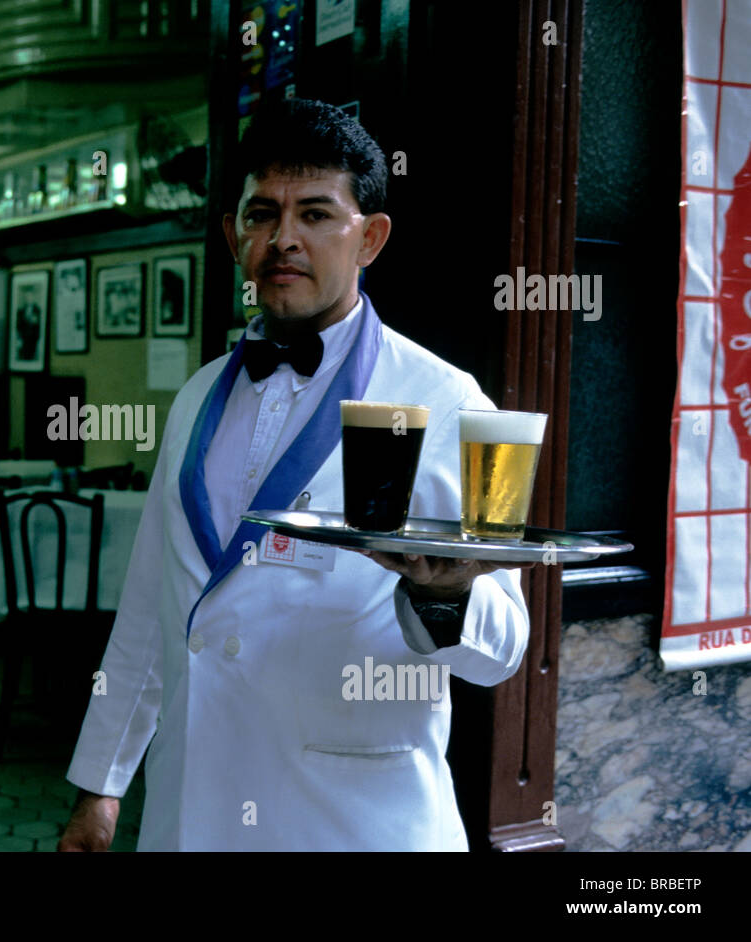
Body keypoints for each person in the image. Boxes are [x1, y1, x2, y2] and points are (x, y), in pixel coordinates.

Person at [58, 98, 532, 851]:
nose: (283, 239)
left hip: (353, 822)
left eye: (316, 214)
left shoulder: (455, 402)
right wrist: (102, 786)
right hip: (194, 813)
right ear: (232, 234)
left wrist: (446, 591)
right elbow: (150, 606)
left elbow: (505, 647)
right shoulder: (193, 398)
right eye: (261, 215)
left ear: (370, 238)